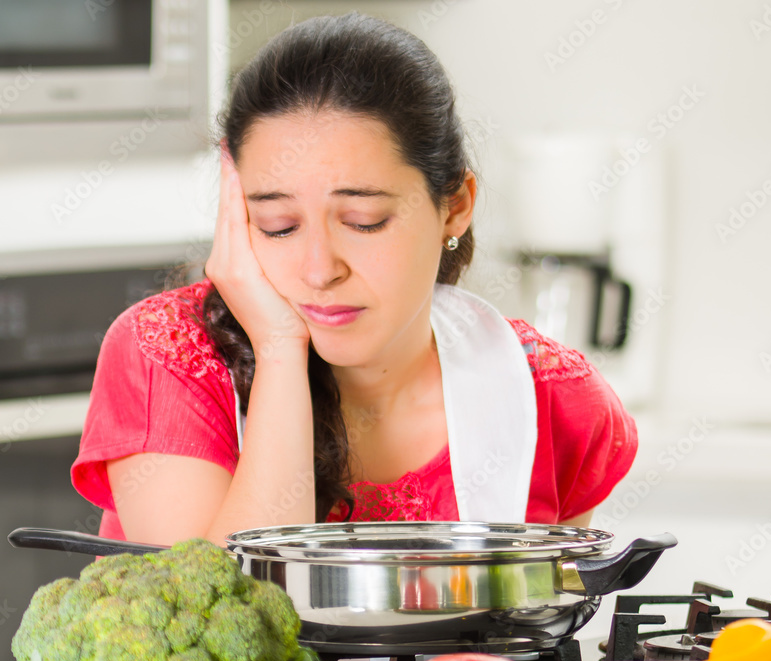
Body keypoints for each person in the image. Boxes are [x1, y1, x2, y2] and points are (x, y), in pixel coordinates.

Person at [70, 12, 638, 547]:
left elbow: (528, 642)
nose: (320, 270)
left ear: (455, 206)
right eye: (279, 225)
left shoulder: (552, 402)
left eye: (365, 222)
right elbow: (219, 630)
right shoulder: (164, 359)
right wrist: (278, 351)